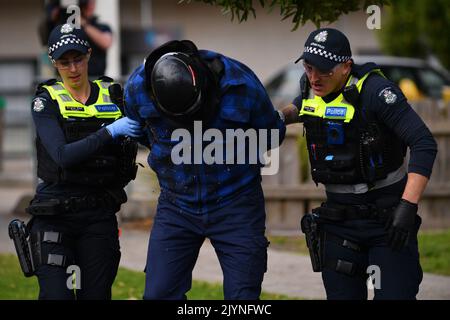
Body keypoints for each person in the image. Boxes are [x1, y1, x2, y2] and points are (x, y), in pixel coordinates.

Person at [280, 28, 438, 300]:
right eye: (308, 68)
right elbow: (299, 108)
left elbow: (424, 143)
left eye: (324, 70)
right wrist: (275, 118)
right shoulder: (311, 87)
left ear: (346, 66)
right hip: (338, 221)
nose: (314, 77)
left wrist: (407, 206)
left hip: (386, 223)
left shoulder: (378, 92)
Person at [124, 40, 287, 299]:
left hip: (236, 203)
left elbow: (270, 135)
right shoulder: (137, 89)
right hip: (176, 204)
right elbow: (145, 135)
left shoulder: (240, 84)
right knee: (158, 295)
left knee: (242, 299)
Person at [26, 23, 141, 300]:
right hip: (55, 216)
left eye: (78, 59)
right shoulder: (46, 102)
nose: (73, 69)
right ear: (54, 63)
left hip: (98, 214)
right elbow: (63, 156)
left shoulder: (113, 95)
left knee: (97, 295)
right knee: (58, 296)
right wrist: (110, 131)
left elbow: (150, 134)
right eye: (65, 63)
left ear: (89, 54)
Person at [38, 0, 112, 77]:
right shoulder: (61, 26)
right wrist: (52, 17)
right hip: (66, 79)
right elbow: (45, 41)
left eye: (91, 2)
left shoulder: (100, 26)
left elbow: (106, 42)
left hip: (95, 77)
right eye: (88, 3)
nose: (90, 5)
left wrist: (83, 24)